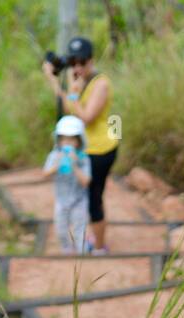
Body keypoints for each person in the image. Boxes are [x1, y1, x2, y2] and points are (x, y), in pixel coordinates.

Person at [42, 35, 118, 254]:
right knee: (82, 197)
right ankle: (88, 238)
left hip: (101, 150)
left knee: (94, 198)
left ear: (91, 60)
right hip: (85, 149)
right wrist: (54, 80)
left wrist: (74, 95)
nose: (77, 67)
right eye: (73, 63)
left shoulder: (100, 84)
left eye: (82, 63)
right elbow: (67, 108)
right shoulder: (79, 82)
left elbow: (86, 117)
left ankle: (100, 247)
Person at [41, 115, 91, 253]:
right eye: (64, 139)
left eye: (72, 139)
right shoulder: (54, 156)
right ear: (59, 140)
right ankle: (66, 251)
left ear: (78, 141)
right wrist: (57, 164)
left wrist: (74, 165)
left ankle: (82, 253)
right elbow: (45, 174)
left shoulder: (83, 158)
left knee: (79, 228)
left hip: (79, 200)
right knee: (61, 228)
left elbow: (86, 181)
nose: (67, 143)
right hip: (61, 200)